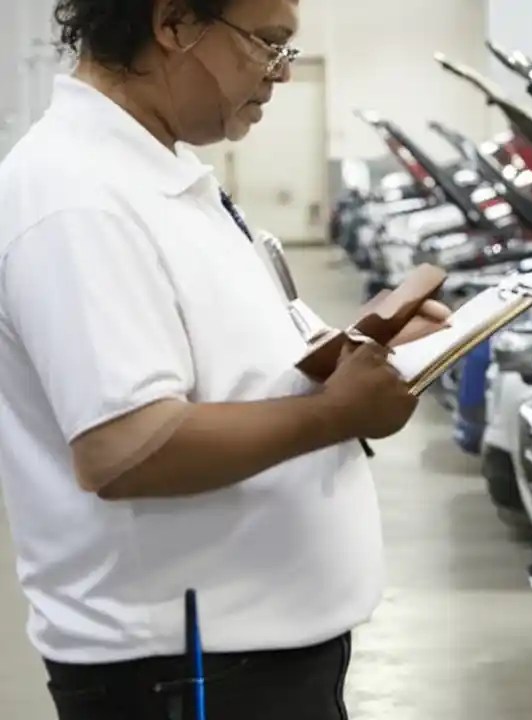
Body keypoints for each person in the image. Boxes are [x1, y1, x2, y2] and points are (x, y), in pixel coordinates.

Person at [0, 1, 446, 717]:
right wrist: (337, 414)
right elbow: (125, 449)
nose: (280, 75)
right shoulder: (75, 197)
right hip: (184, 673)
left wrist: (356, 352)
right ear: (173, 23)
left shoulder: (158, 173)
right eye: (269, 44)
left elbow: (232, 373)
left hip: (248, 658)